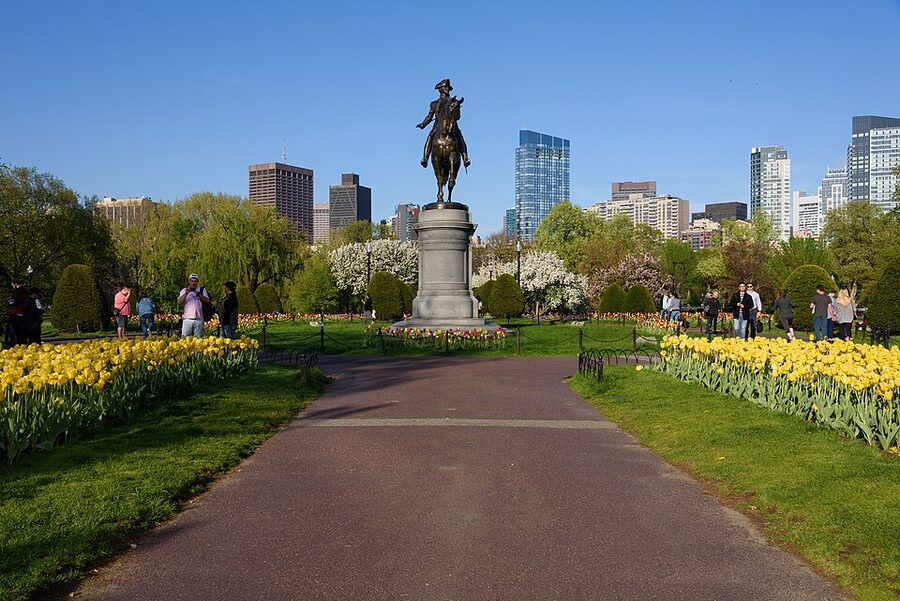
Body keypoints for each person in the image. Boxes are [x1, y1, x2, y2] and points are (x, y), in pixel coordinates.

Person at [417, 79, 470, 168]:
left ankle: (465, 158)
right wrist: (423, 124)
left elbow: (458, 115)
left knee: (459, 137)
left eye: (448, 87)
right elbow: (429, 117)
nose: (447, 89)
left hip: (451, 124)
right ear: (440, 89)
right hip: (438, 125)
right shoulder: (434, 103)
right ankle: (425, 158)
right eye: (445, 87)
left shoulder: (453, 101)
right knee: (430, 136)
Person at [177, 274, 212, 338]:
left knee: (198, 338)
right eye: (192, 281)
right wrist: (186, 293)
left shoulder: (202, 290)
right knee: (185, 338)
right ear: (189, 281)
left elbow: (207, 300)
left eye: (195, 281)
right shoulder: (184, 290)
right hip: (187, 318)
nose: (193, 283)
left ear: (197, 282)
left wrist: (199, 295)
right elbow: (179, 302)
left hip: (199, 318)